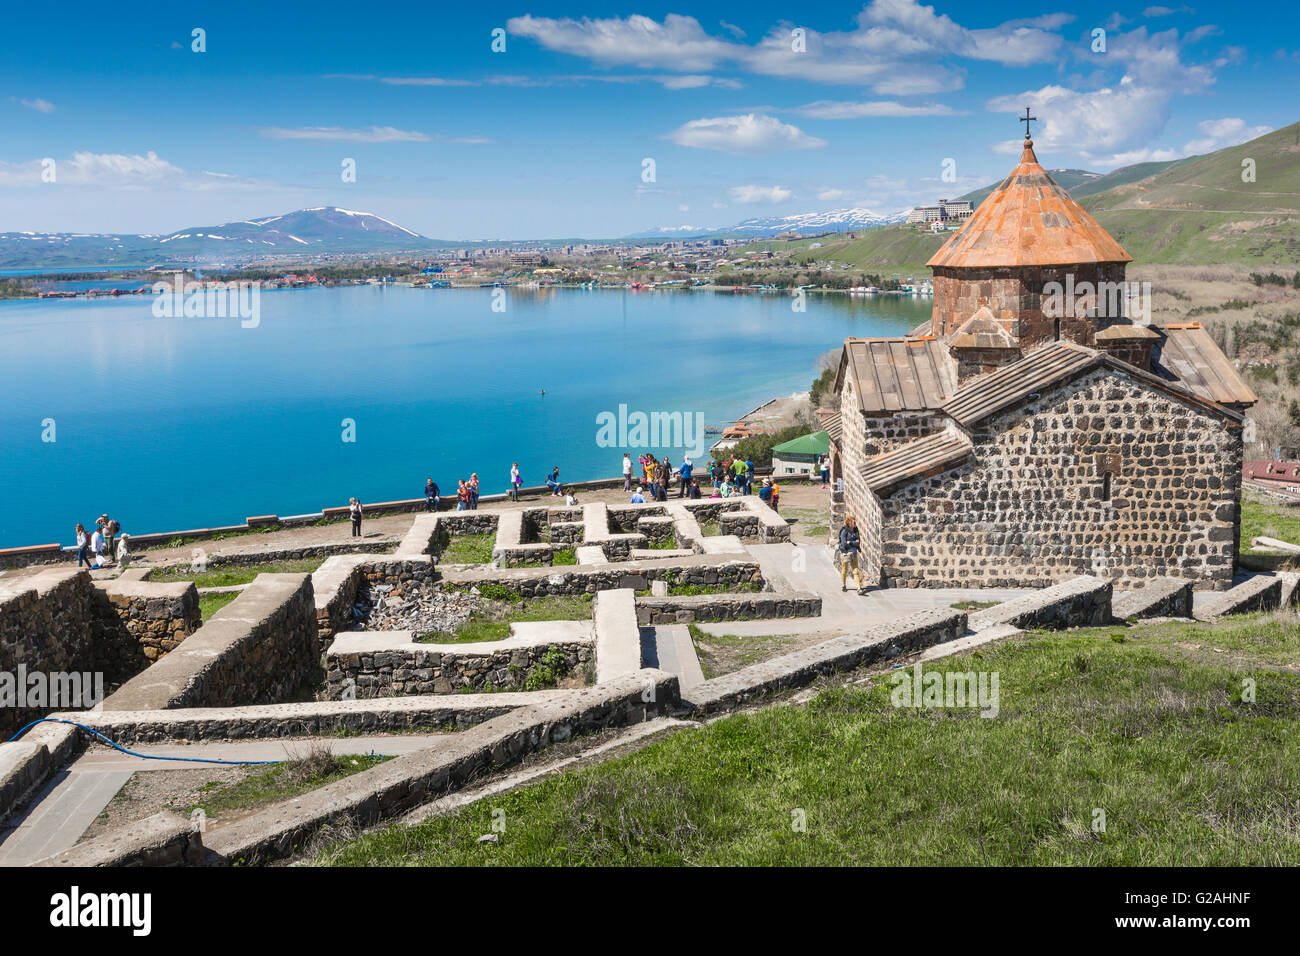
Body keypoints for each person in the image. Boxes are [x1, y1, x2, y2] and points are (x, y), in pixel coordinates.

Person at [839, 515, 865, 592]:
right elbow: (844, 544)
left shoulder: (856, 530)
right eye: (854, 522)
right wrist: (854, 543)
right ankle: (843, 585)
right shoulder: (844, 531)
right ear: (850, 523)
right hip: (846, 553)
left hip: (853, 553)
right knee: (844, 570)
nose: (855, 523)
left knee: (856, 570)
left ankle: (858, 588)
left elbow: (858, 542)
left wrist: (850, 542)